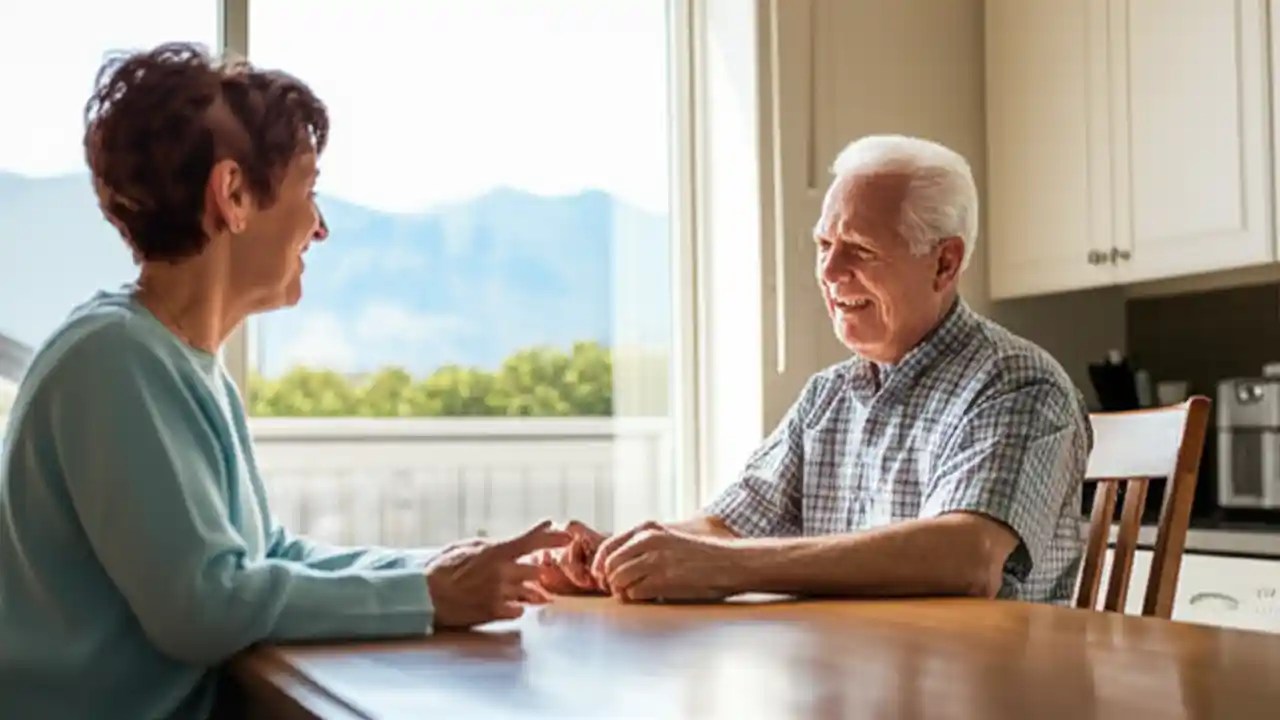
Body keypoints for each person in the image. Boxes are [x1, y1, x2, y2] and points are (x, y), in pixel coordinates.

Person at [0, 43, 568, 720]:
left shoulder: (175, 360)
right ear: (233, 194)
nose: (320, 227)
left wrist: (444, 567)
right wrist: (428, 595)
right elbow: (205, 608)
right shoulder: (113, 359)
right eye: (309, 189)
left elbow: (267, 558)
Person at [536, 134, 1091, 605]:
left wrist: (730, 568)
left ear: (944, 262)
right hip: (852, 678)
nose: (828, 271)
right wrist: (616, 556)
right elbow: (723, 528)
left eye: (859, 249)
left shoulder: (1016, 381)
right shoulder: (828, 394)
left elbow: (965, 556)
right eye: (824, 244)